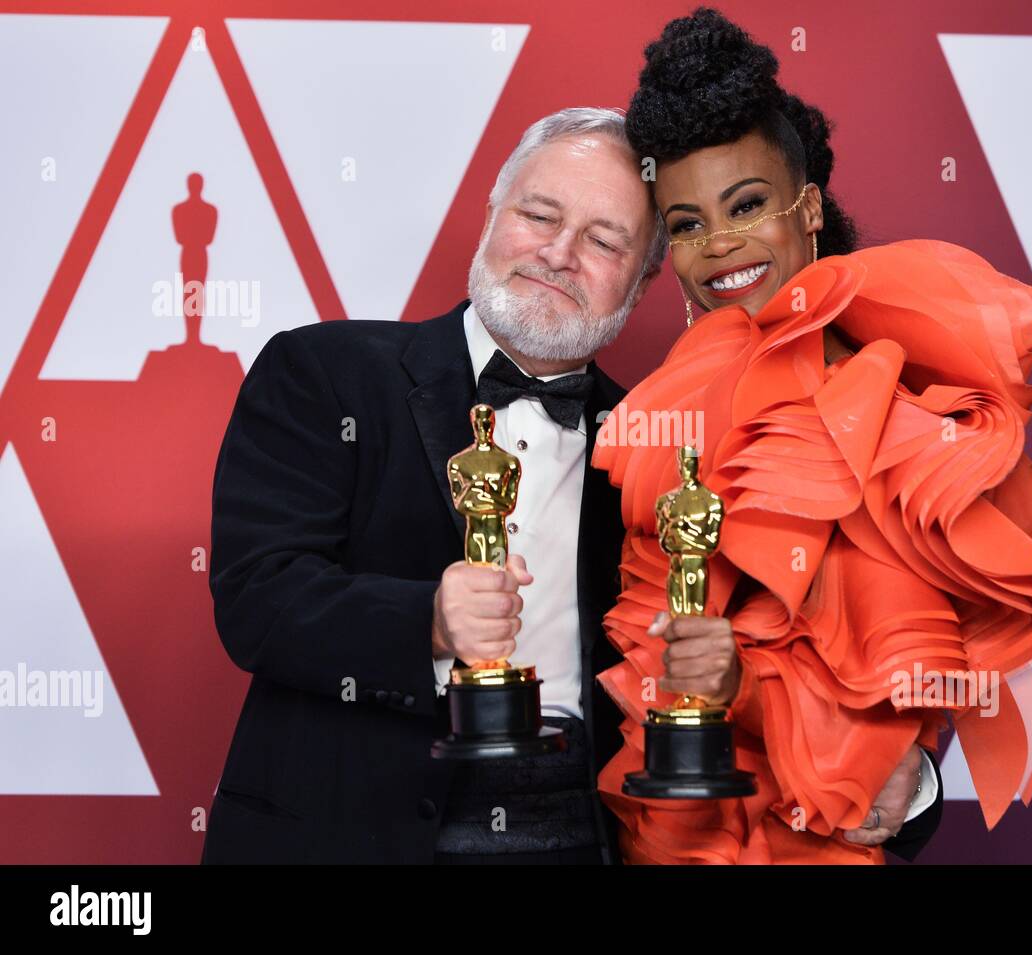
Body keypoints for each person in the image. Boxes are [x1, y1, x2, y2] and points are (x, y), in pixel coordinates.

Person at [200, 106, 942, 864]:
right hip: (342, 833)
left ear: (645, 276)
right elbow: (257, 597)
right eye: (539, 214)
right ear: (493, 210)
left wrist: (902, 774)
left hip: (580, 835)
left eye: (604, 240)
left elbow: (763, 658)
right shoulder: (327, 372)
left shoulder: (668, 446)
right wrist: (424, 617)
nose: (558, 254)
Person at [590, 8, 1032, 864]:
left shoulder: (896, 415)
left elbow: (900, 685)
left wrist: (909, 776)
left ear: (808, 206)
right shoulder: (648, 428)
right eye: (687, 223)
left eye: (747, 205)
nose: (722, 244)